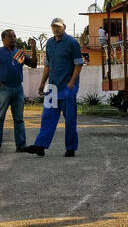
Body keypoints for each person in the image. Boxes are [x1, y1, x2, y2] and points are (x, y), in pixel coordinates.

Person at [23, 17, 84, 157]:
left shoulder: (72, 43)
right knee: (47, 117)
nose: (56, 29)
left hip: (68, 87)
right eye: (53, 27)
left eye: (58, 26)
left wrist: (72, 82)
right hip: (52, 87)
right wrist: (42, 82)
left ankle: (71, 148)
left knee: (70, 119)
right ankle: (40, 146)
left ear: (64, 27)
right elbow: (47, 64)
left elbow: (78, 64)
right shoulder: (49, 43)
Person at [0, 29, 35, 153]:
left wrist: (34, 49)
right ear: (3, 39)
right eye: (10, 36)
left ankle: (21, 146)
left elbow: (33, 64)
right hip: (3, 89)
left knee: (19, 119)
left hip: (18, 88)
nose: (13, 38)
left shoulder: (19, 53)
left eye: (15, 36)